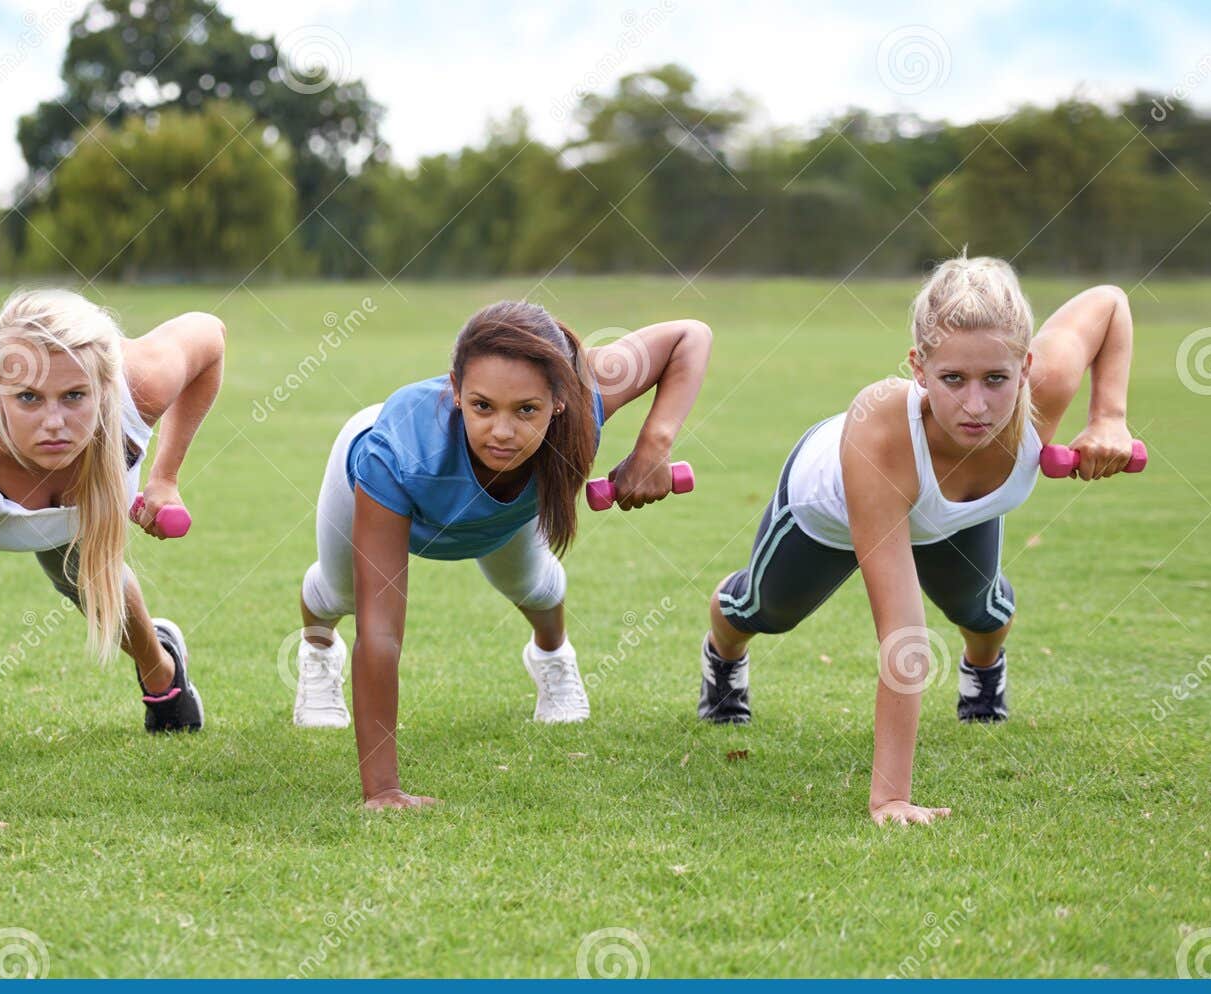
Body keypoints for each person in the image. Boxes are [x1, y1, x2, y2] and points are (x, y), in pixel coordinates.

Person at [697, 255, 1139, 826]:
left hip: (954, 513)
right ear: (919, 368)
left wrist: (1109, 417)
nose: (975, 406)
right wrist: (891, 798)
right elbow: (903, 631)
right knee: (762, 610)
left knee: (982, 612)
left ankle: (982, 671)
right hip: (831, 509)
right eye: (953, 379)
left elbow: (1108, 302)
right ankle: (724, 655)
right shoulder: (882, 429)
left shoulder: (1046, 388)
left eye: (996, 379)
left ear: (1026, 367)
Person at [293, 300, 712, 809]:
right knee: (340, 594)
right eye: (483, 406)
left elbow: (690, 335)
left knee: (533, 586)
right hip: (378, 479)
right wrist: (383, 791)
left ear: (561, 399)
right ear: (456, 390)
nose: (503, 432)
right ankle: (318, 654)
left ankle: (553, 658)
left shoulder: (588, 392)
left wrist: (655, 444)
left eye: (526, 410)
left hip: (499, 513)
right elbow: (381, 632)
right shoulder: (395, 454)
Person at [0, 290, 225, 837]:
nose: (55, 423)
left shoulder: (139, 385)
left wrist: (165, 478)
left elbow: (209, 334)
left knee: (86, 582)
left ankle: (162, 672)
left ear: (104, 388)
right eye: (29, 399)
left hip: (70, 486)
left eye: (75, 396)